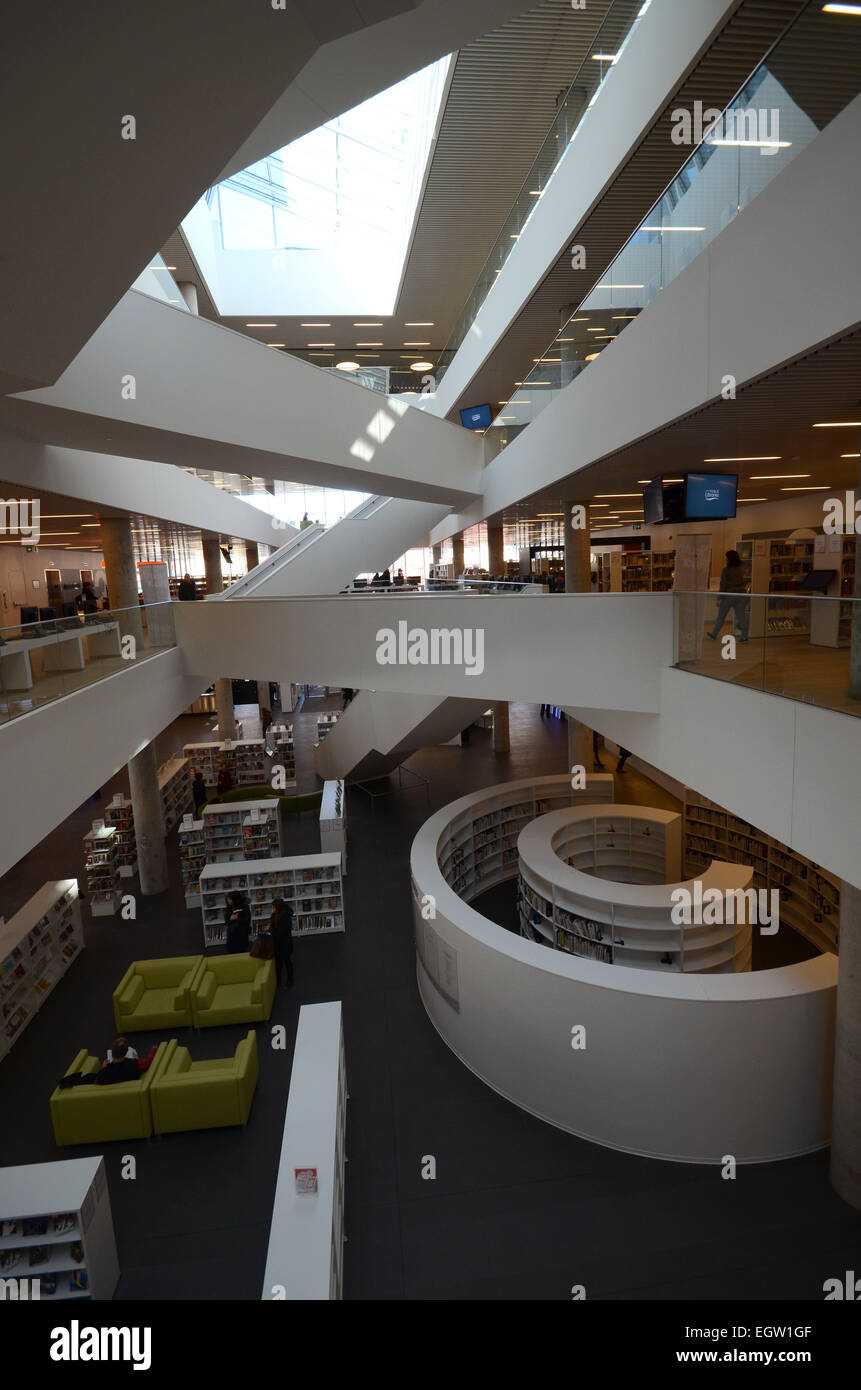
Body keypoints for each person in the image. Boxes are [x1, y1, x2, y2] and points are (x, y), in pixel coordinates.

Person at [707, 550, 750, 644]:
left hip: (729, 595)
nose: (725, 559)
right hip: (742, 595)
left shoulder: (726, 570)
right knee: (741, 617)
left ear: (730, 558)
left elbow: (723, 585)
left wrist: (719, 598)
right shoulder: (742, 568)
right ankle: (744, 637)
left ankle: (714, 634)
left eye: (726, 557)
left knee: (721, 616)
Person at [269, 896, 295, 987]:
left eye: (273, 907)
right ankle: (278, 981)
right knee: (278, 963)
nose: (271, 909)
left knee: (286, 962)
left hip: (284, 944)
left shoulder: (285, 918)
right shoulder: (276, 915)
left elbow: (279, 932)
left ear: (277, 908)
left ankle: (290, 980)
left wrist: (270, 930)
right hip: (278, 944)